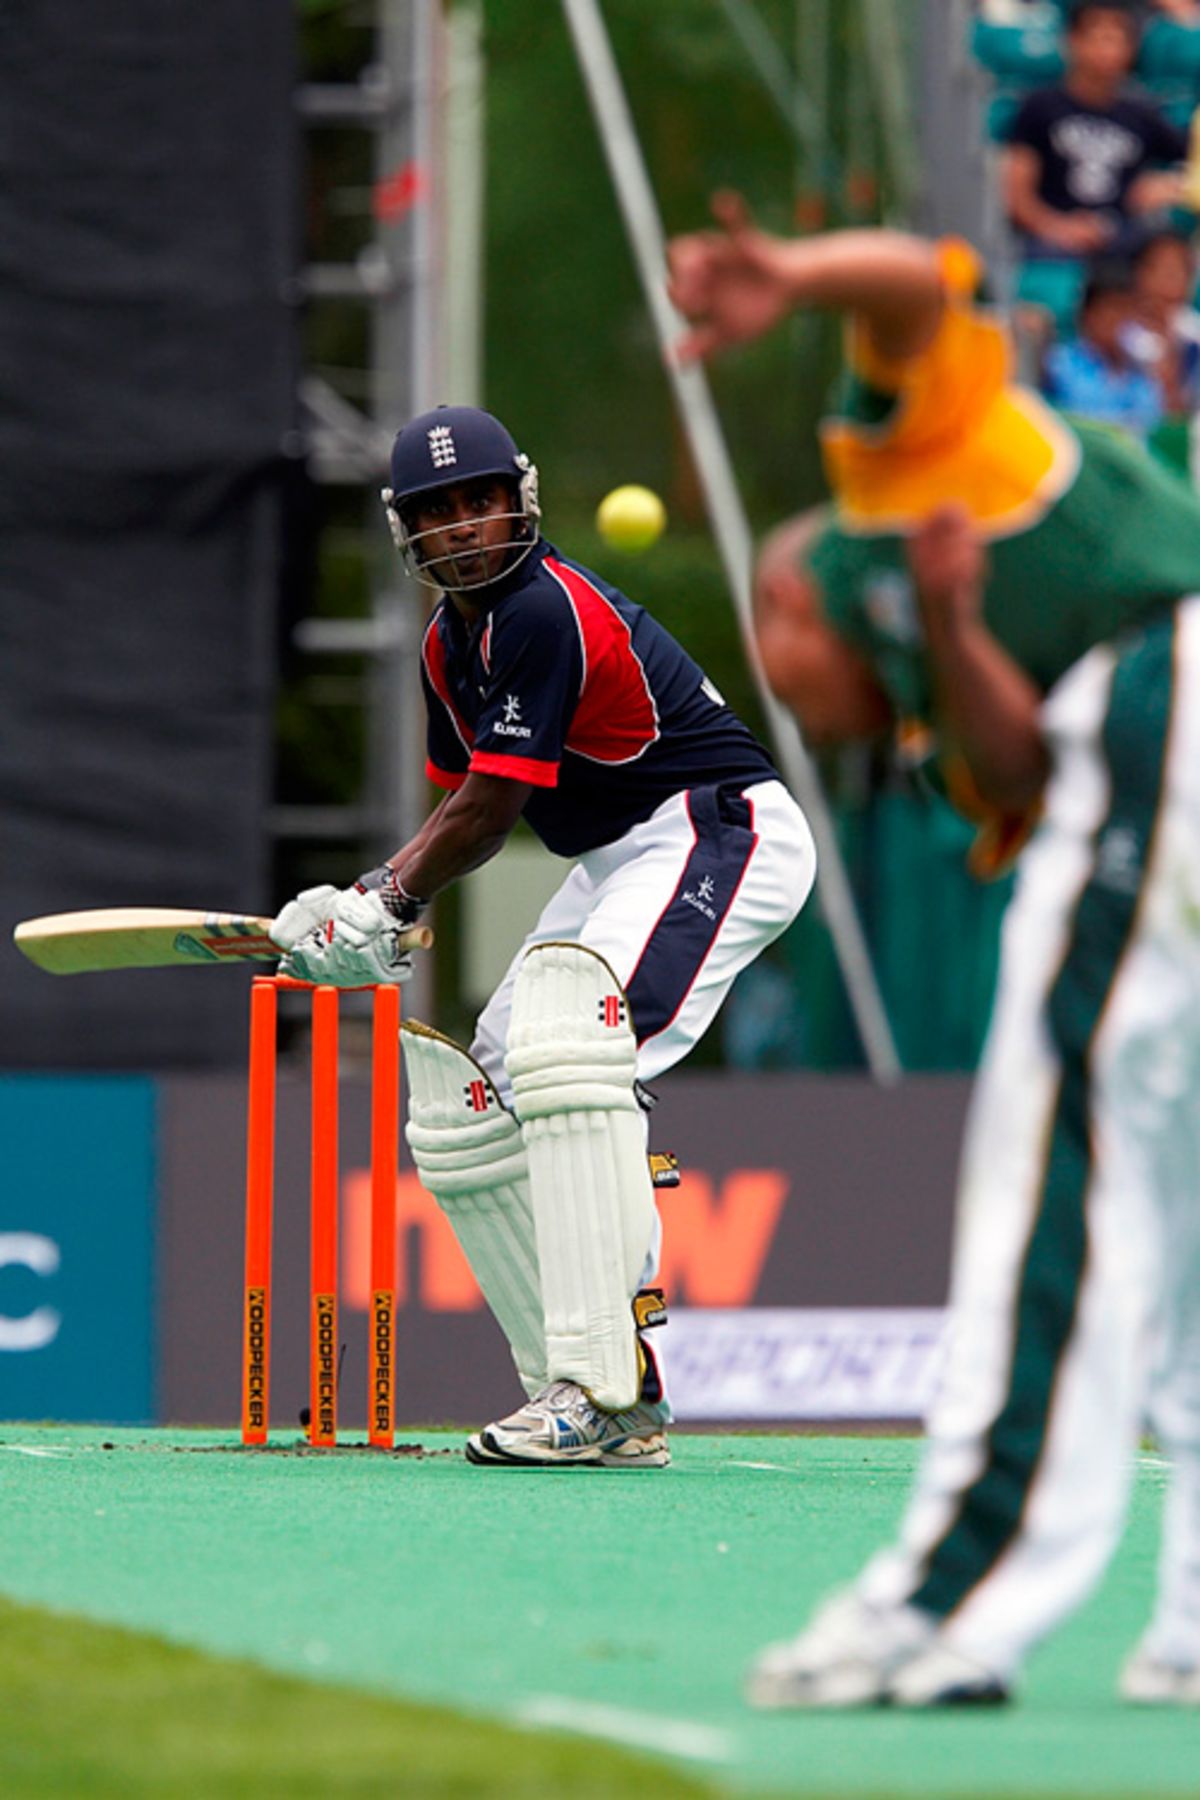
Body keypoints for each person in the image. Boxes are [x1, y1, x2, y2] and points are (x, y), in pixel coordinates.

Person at [666, 194, 1200, 1705]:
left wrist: (787, 275)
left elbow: (920, 281)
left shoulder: (898, 477)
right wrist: (961, 633)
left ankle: (948, 1607)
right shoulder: (919, 651)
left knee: (1061, 1176)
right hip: (1142, 744)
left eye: (766, 670)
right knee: (1180, 1208)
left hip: (1178, 705)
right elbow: (1021, 770)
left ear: (793, 601)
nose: (776, 705)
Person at [270, 404, 815, 1470]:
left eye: (482, 501)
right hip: (621, 858)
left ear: (517, 500)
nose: (468, 526)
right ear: (409, 533)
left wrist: (378, 896)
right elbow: (458, 817)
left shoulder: (540, 611)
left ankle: (613, 1383)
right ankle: (568, 1393)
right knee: (473, 1102)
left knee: (577, 1046)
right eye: (442, 513)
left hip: (718, 829)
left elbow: (484, 815)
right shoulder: (448, 645)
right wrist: (386, 918)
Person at [1002, 0, 1189, 264]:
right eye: (1097, 37)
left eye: (1117, 39)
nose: (1106, 50)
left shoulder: (1143, 114)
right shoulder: (1040, 107)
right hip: (1050, 242)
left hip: (1123, 242)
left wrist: (1168, 186)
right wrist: (1059, 228)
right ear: (1072, 40)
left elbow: (1188, 162)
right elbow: (1018, 195)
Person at [1041, 256, 1165, 438]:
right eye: (1112, 309)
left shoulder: (1141, 373)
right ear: (1088, 314)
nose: (1119, 320)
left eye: (1127, 309)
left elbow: (1153, 425)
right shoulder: (1060, 363)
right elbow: (1080, 418)